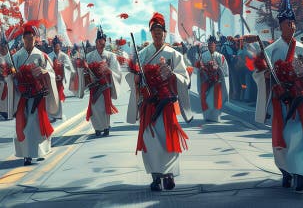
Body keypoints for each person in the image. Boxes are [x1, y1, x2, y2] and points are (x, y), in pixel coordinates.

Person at [252, 0, 303, 192]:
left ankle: (300, 174)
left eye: (293, 23)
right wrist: (265, 75)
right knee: (282, 138)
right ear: (281, 26)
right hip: (279, 101)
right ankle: (286, 171)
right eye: (288, 23)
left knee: (298, 136)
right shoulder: (270, 50)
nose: (292, 26)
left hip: (298, 100)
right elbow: (257, 74)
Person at [126, 13, 190, 192]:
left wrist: (171, 74)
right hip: (148, 104)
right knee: (150, 141)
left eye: (160, 30)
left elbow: (184, 78)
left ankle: (168, 174)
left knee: (167, 138)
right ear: (151, 32)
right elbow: (132, 76)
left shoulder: (174, 54)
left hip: (166, 103)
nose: (157, 33)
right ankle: (156, 177)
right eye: (154, 30)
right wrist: (136, 79)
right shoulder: (142, 54)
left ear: (164, 32)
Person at [7, 21, 59, 166]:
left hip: (38, 95)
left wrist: (44, 71)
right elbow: (10, 74)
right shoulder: (16, 56)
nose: (29, 41)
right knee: (24, 125)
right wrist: (11, 74)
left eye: (31, 38)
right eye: (27, 38)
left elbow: (51, 73)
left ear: (35, 39)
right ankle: (27, 154)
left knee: (35, 124)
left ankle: (38, 151)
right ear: (23, 39)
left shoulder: (42, 56)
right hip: (23, 96)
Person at [80, 28, 122, 136]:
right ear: (96, 42)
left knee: (104, 107)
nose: (101, 44)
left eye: (103, 42)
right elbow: (85, 72)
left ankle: (106, 126)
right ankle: (97, 128)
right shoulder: (89, 56)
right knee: (94, 108)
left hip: (105, 85)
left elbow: (117, 71)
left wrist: (108, 70)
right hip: (94, 86)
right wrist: (85, 68)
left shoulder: (111, 55)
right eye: (99, 41)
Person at [196, 35, 229, 122]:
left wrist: (217, 68)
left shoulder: (220, 56)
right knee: (205, 98)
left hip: (217, 81)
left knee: (216, 99)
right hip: (205, 80)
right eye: (209, 44)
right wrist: (202, 69)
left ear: (215, 45)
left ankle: (215, 116)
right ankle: (207, 116)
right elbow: (198, 68)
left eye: (212, 44)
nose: (211, 46)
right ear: (207, 45)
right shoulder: (202, 56)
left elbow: (225, 70)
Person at [47, 37, 74, 122]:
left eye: (58, 46)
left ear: (60, 46)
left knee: (58, 96)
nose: (57, 48)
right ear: (53, 46)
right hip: (52, 79)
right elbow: (47, 67)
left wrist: (62, 66)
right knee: (52, 97)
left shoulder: (64, 56)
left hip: (60, 79)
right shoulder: (49, 56)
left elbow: (69, 67)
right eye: (55, 46)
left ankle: (58, 114)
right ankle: (52, 114)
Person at [0, 40, 14, 120]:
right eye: (1, 47)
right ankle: (2, 110)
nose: (2, 49)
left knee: (9, 96)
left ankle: (9, 111)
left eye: (4, 47)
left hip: (9, 79)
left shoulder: (11, 56)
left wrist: (12, 72)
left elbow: (14, 68)